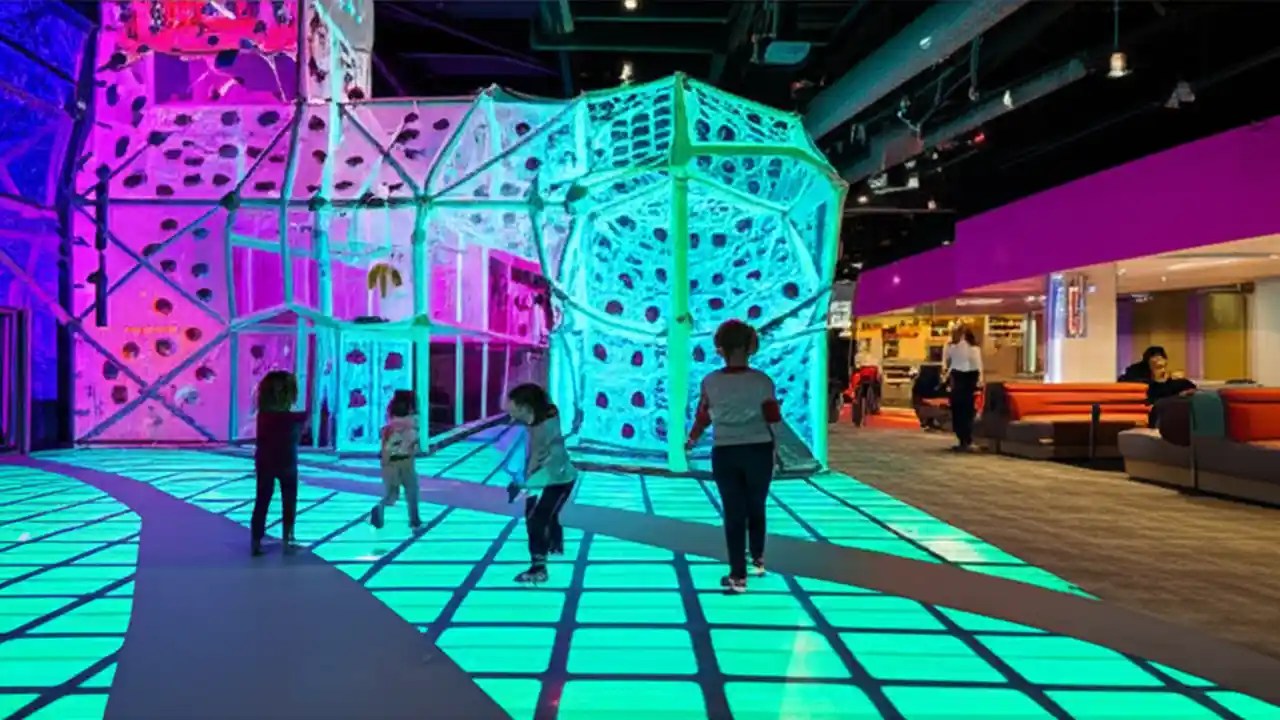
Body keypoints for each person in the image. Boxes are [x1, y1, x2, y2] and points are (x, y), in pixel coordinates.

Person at [686, 320, 781, 594]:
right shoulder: (763, 381)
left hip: (725, 451)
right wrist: (782, 452)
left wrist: (692, 439)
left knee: (733, 513)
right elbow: (773, 418)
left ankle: (738, 576)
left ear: (720, 348)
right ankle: (759, 559)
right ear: (750, 347)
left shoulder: (711, 382)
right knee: (757, 505)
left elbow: (703, 416)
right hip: (759, 449)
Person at [505, 383, 577, 584]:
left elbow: (536, 458)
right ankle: (555, 544)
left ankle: (539, 568)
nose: (509, 412)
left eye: (513, 409)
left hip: (555, 479)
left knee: (536, 518)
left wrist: (522, 482)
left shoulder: (540, 429)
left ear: (526, 407)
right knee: (544, 514)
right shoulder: (548, 414)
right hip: (554, 477)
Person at [251, 370, 308, 556]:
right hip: (287, 461)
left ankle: (256, 540)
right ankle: (288, 536)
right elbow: (298, 434)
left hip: (265, 459)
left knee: (262, 499)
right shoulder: (294, 418)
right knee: (289, 499)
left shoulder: (263, 416)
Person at [371, 390, 422, 531]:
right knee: (411, 491)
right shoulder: (411, 422)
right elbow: (412, 441)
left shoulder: (389, 424)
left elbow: (386, 445)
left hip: (389, 462)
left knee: (391, 495)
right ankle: (414, 520)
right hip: (406, 461)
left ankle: (380, 508)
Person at [943, 326, 983, 452]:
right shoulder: (975, 348)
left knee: (958, 411)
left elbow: (946, 363)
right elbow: (978, 366)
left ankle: (962, 439)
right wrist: (979, 382)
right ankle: (967, 440)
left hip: (957, 378)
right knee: (967, 411)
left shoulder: (951, 347)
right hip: (969, 379)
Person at [1144, 354, 1196, 428]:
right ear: (1152, 370)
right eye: (1159, 368)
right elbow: (1151, 405)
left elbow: (1194, 391)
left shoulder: (1181, 382)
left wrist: (1186, 393)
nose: (1163, 370)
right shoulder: (1152, 388)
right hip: (1164, 418)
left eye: (1165, 367)